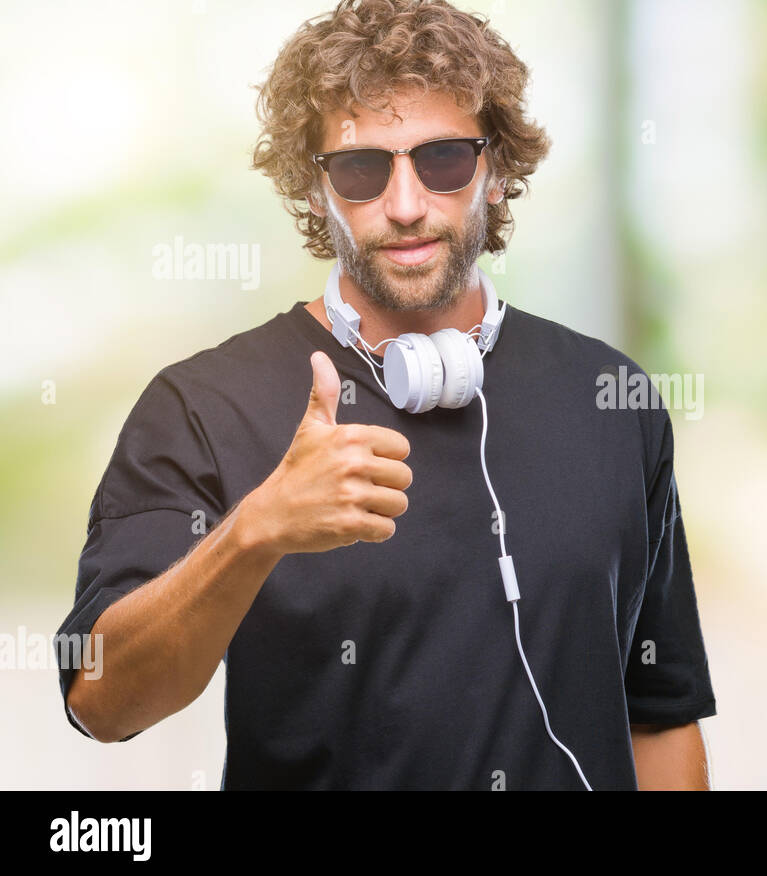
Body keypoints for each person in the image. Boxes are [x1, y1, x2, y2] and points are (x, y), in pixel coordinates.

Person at [56, 0, 716, 790]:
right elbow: (101, 698)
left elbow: (662, 714)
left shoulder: (613, 399)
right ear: (313, 188)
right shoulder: (201, 406)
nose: (405, 205)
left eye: (442, 160)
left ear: (497, 170)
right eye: (363, 169)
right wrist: (255, 531)